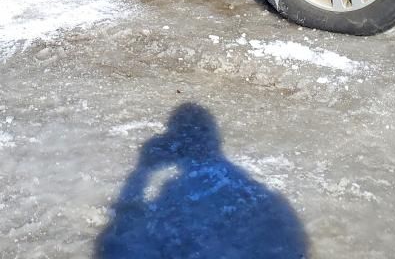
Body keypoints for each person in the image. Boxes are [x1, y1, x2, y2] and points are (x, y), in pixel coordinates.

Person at [95, 103, 308, 258]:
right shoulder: (267, 201)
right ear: (215, 138)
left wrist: (142, 172)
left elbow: (118, 235)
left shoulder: (170, 196)